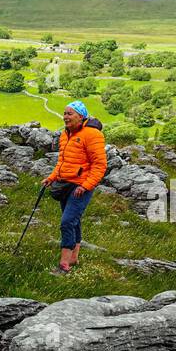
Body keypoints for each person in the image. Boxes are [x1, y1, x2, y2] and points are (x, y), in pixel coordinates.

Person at [42, 100, 106, 275]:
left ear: (81, 116)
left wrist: (86, 186)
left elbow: (100, 165)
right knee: (73, 221)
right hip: (64, 184)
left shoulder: (92, 135)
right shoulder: (66, 134)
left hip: (80, 187)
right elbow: (62, 162)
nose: (65, 117)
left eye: (70, 114)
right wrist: (51, 177)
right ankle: (74, 258)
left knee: (67, 222)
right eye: (64, 113)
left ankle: (63, 265)